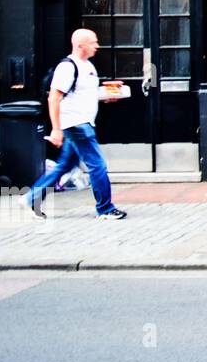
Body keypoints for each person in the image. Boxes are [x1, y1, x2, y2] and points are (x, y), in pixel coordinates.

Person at [20, 29, 127, 220]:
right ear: (80, 45)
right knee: (97, 165)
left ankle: (31, 198)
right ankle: (105, 208)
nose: (97, 46)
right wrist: (56, 128)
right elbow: (54, 98)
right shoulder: (67, 67)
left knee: (65, 165)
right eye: (93, 43)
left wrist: (109, 93)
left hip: (83, 122)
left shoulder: (88, 66)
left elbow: (86, 93)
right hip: (76, 125)